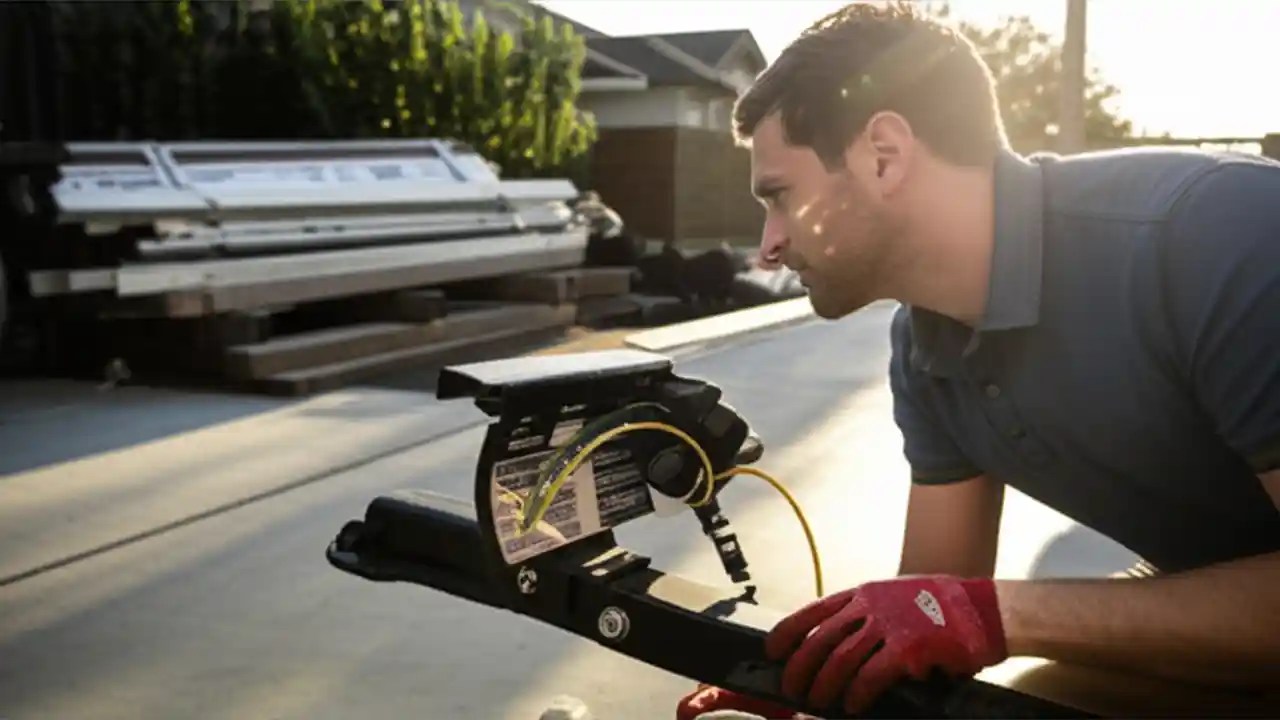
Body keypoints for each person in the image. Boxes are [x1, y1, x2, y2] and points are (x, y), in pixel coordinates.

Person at [676, 2, 1280, 718]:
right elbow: (932, 603)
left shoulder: (1218, 238)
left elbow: (962, 612)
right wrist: (819, 684)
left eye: (779, 196)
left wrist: (995, 615)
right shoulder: (921, 346)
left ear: (883, 155)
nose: (767, 245)